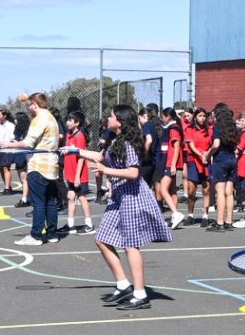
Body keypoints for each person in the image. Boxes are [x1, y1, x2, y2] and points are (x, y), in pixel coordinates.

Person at [70, 104, 172, 311]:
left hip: (133, 196)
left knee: (130, 244)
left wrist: (106, 170)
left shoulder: (128, 143)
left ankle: (140, 294)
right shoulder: (116, 141)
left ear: (121, 121)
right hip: (118, 197)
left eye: (111, 116)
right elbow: (100, 157)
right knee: (102, 239)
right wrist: (75, 150)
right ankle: (123, 285)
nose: (108, 118)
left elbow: (134, 173)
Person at [2, 92, 62, 246]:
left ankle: (36, 235)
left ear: (35, 105)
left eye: (29, 105)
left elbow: (28, 142)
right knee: (50, 201)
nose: (28, 108)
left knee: (38, 202)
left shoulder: (40, 119)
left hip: (39, 166)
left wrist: (9, 144)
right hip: (51, 167)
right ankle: (52, 233)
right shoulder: (52, 118)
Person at [207, 108, 239, 231]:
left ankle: (220, 222)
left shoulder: (217, 127)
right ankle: (229, 221)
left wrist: (208, 155)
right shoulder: (233, 127)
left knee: (219, 192)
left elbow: (216, 144)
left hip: (221, 160)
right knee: (229, 192)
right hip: (232, 159)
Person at [63, 110, 93, 235]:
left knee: (81, 197)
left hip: (78, 174)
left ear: (77, 123)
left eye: (70, 120)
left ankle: (89, 224)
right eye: (68, 120)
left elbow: (81, 157)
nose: (68, 122)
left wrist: (77, 177)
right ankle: (70, 225)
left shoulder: (80, 136)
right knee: (70, 197)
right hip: (70, 172)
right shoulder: (69, 135)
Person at [184, 107, 213, 223]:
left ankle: (205, 216)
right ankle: (190, 215)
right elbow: (191, 145)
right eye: (200, 116)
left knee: (206, 189)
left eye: (204, 116)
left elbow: (213, 145)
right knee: (191, 191)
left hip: (206, 162)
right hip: (193, 161)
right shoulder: (189, 129)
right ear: (195, 117)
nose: (202, 118)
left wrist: (207, 153)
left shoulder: (209, 130)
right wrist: (200, 155)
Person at [0, 110, 17, 195]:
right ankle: (8, 186)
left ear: (4, 116)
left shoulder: (10, 126)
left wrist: (9, 145)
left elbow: (13, 138)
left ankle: (7, 189)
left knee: (6, 168)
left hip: (7, 148)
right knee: (1, 168)